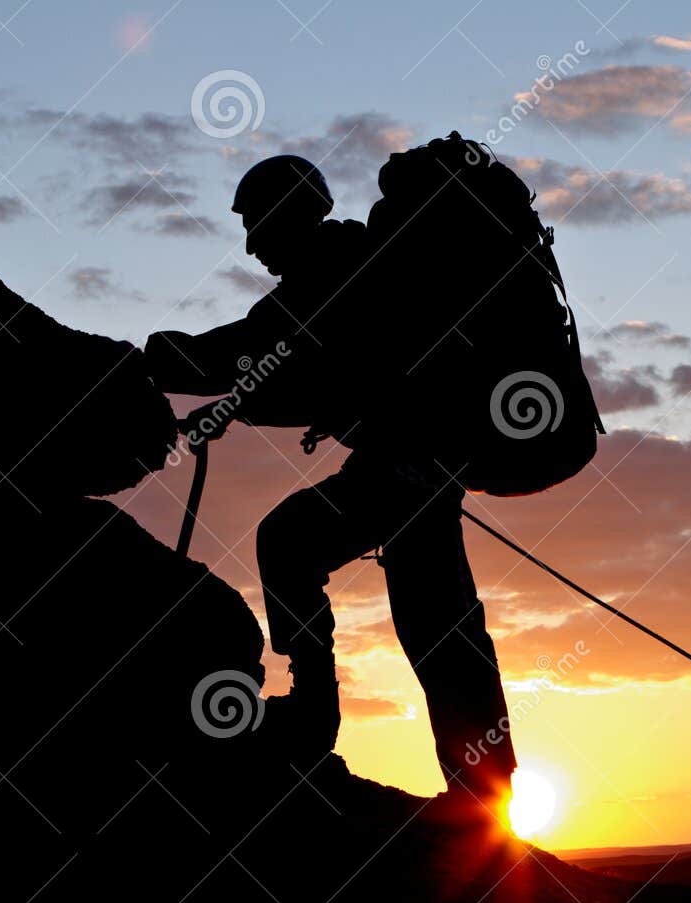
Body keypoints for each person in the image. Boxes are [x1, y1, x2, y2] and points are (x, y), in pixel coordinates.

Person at [144, 155, 516, 820]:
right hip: (417, 462)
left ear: (291, 214)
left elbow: (251, 354)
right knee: (439, 620)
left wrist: (149, 363)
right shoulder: (349, 266)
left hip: (407, 466)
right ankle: (484, 788)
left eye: (258, 225)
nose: (254, 244)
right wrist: (223, 408)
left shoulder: (332, 271)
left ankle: (321, 714)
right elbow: (296, 373)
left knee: (301, 547)